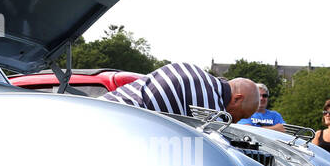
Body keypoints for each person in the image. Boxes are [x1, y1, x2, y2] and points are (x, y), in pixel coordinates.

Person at [101, 62, 259, 120]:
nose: (236, 121)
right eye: (241, 116)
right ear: (237, 99)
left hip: (104, 107)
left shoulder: (194, 71)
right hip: (117, 121)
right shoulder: (210, 103)